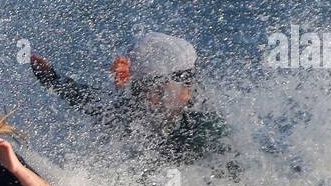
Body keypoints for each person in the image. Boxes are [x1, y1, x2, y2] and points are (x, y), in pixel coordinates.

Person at [30, 31, 231, 170]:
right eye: (139, 91)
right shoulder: (132, 114)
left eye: (157, 91)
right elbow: (87, 100)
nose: (148, 100)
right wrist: (53, 80)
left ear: (185, 89)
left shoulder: (203, 129)